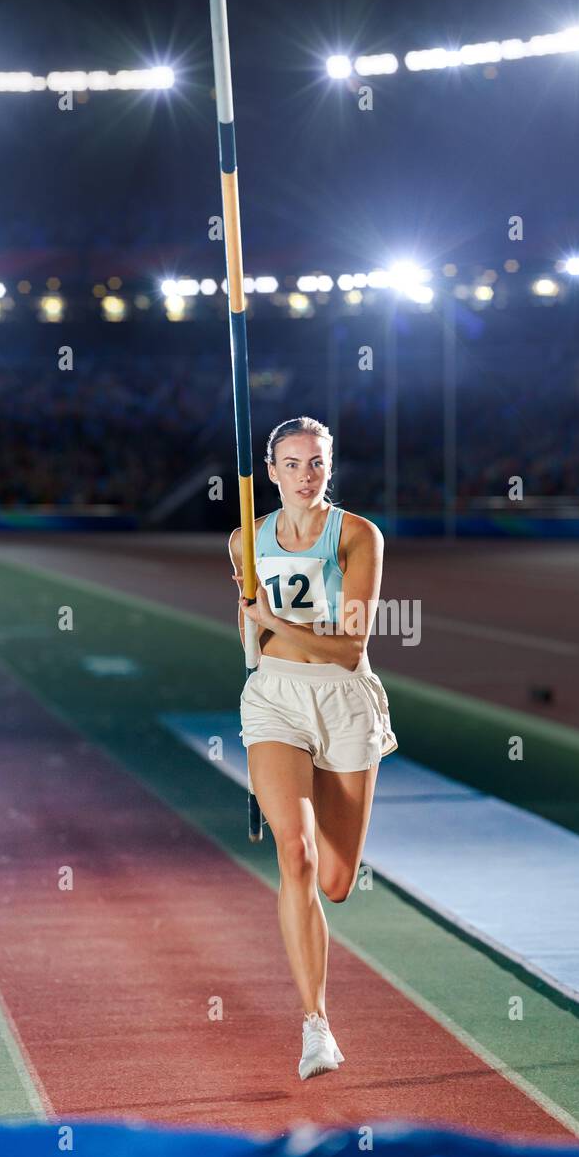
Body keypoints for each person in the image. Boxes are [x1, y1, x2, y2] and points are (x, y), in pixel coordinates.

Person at [228, 416, 398, 1079]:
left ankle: (332, 867)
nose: (305, 476)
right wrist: (255, 633)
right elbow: (250, 643)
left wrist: (270, 621)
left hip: (344, 700)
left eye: (316, 463)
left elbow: (349, 646)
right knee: (293, 856)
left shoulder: (356, 536)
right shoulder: (246, 540)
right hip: (274, 700)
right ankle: (315, 1026)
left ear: (330, 467)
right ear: (269, 471)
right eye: (292, 463)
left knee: (335, 881)